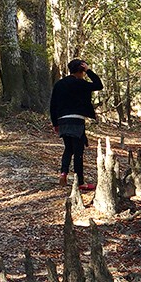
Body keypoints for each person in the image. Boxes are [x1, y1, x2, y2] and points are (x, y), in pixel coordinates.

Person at [50, 58, 103, 192]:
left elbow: (53, 105)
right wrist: (89, 70)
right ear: (82, 70)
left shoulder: (59, 84)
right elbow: (98, 85)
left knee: (68, 148)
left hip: (62, 120)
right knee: (78, 151)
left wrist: (55, 123)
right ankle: (80, 182)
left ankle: (63, 173)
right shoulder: (82, 83)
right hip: (76, 120)